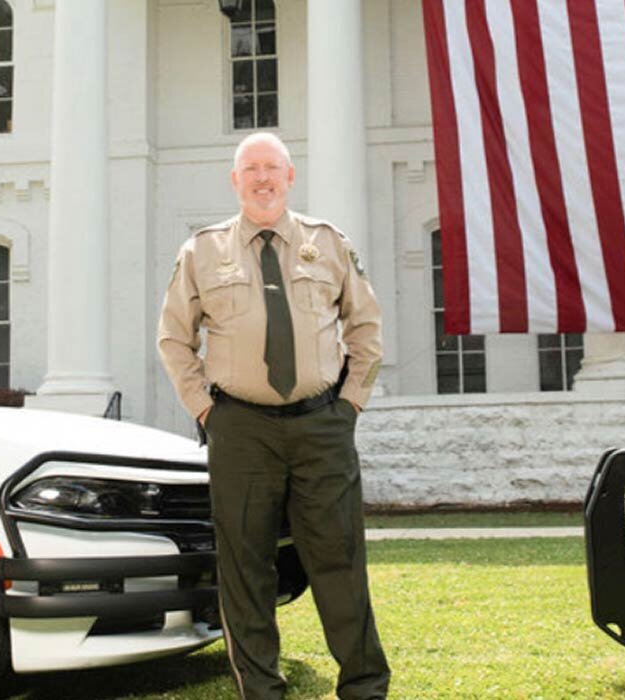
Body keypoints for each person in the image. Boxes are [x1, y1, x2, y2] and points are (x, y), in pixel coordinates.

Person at [157, 132, 391, 700]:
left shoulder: (329, 244)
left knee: (339, 560)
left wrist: (348, 406)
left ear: (290, 177)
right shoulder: (202, 252)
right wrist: (208, 412)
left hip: (321, 425)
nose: (262, 178)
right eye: (250, 169)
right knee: (245, 570)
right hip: (240, 428)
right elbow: (174, 340)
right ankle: (261, 691)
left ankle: (364, 687)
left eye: (272, 168)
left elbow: (365, 331)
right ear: (235, 182)